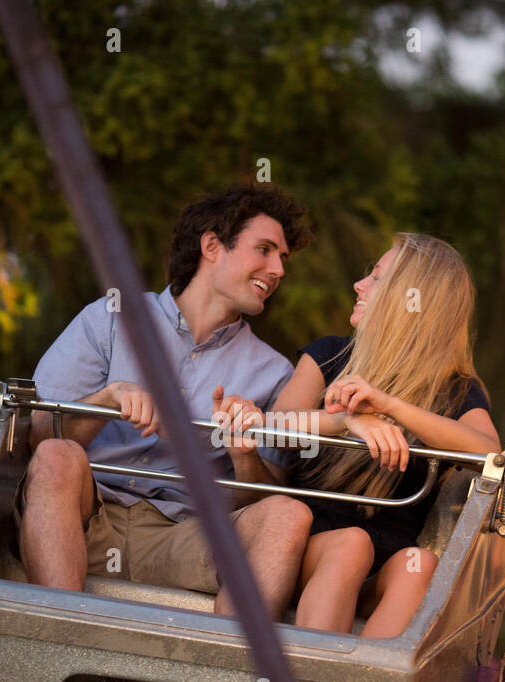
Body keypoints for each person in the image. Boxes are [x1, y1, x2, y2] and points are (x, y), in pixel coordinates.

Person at [17, 184, 313, 621]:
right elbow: (39, 437)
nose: (278, 269)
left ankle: (222, 678)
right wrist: (109, 397)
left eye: (282, 259)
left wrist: (244, 453)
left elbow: (262, 496)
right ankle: (67, 638)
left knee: (288, 514)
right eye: (265, 250)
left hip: (188, 537)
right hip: (88, 518)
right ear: (212, 246)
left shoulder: (273, 373)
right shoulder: (111, 318)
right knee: (57, 454)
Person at [271, 233, 501, 637]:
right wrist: (345, 419)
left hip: (385, 561)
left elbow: (489, 451)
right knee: (352, 545)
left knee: (421, 564)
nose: (359, 286)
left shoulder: (455, 389)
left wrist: (390, 406)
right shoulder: (328, 356)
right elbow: (275, 425)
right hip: (316, 547)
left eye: (376, 278)